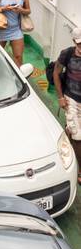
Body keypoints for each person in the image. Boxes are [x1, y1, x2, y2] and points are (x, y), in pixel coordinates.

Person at [54, 31, 81, 172]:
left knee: (74, 132)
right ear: (74, 41)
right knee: (78, 137)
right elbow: (56, 73)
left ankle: (68, 130)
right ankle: (80, 169)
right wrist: (60, 97)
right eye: (79, 43)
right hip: (72, 99)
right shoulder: (67, 54)